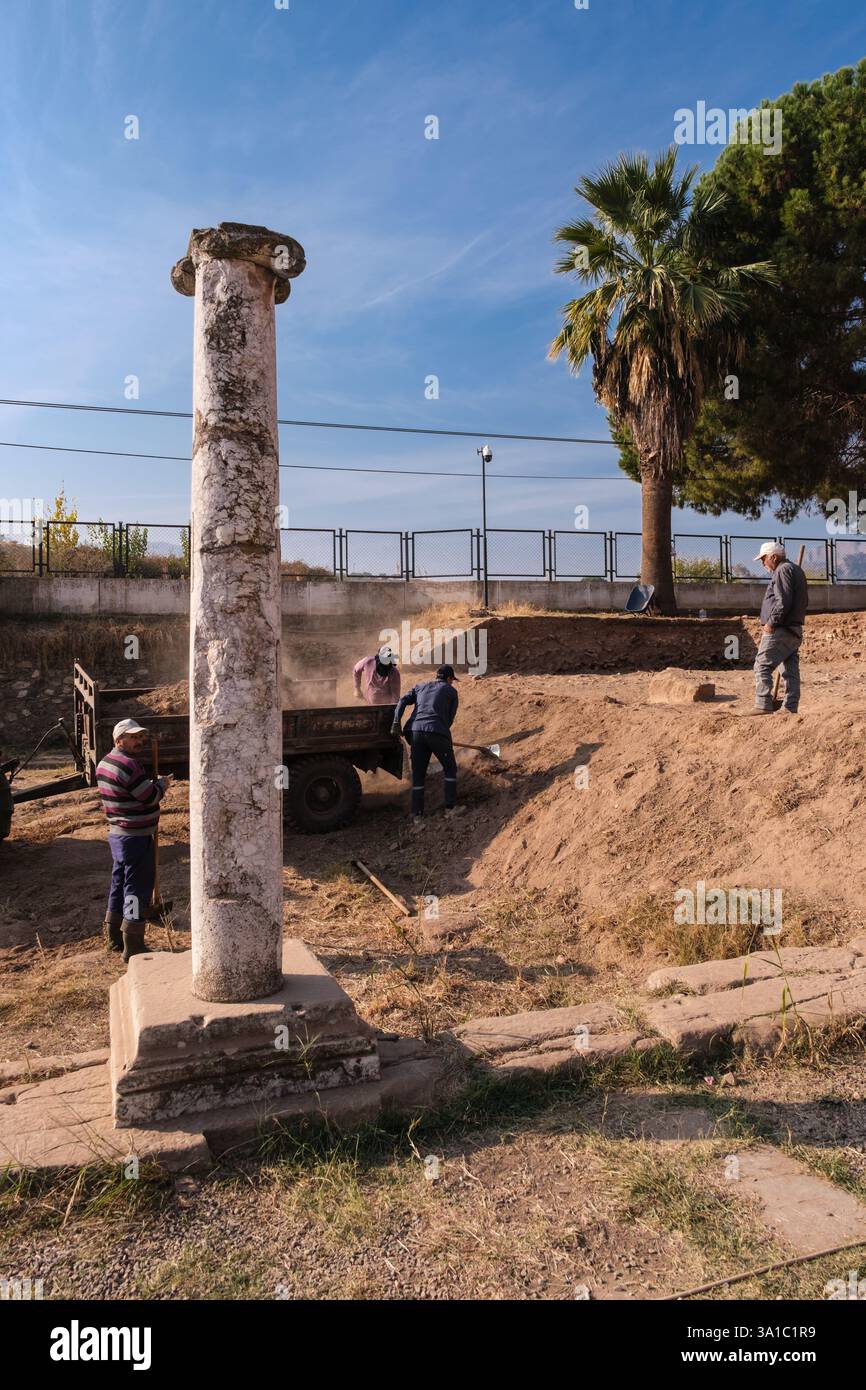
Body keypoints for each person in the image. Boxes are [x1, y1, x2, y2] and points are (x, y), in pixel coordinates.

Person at [96, 719, 171, 961]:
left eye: (140, 737)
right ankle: (134, 944)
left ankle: (114, 938)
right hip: (136, 837)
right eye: (132, 737)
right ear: (119, 740)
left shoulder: (105, 762)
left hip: (117, 834)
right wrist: (162, 784)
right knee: (136, 890)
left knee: (119, 884)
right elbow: (148, 797)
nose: (139, 741)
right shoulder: (129, 766)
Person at [392, 665, 463, 823]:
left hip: (415, 732)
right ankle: (450, 809)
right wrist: (441, 736)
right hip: (436, 731)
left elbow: (402, 700)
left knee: (418, 775)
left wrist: (397, 721)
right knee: (450, 768)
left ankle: (417, 815)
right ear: (449, 679)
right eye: (452, 680)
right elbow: (449, 720)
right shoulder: (451, 691)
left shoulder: (420, 686)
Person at [749, 542, 809, 715]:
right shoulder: (795, 570)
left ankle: (762, 704)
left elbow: (783, 601)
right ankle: (790, 707)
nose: (763, 563)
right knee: (789, 669)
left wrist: (772, 622)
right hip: (794, 628)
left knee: (761, 665)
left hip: (781, 629)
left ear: (773, 557)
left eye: (764, 559)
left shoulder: (782, 570)